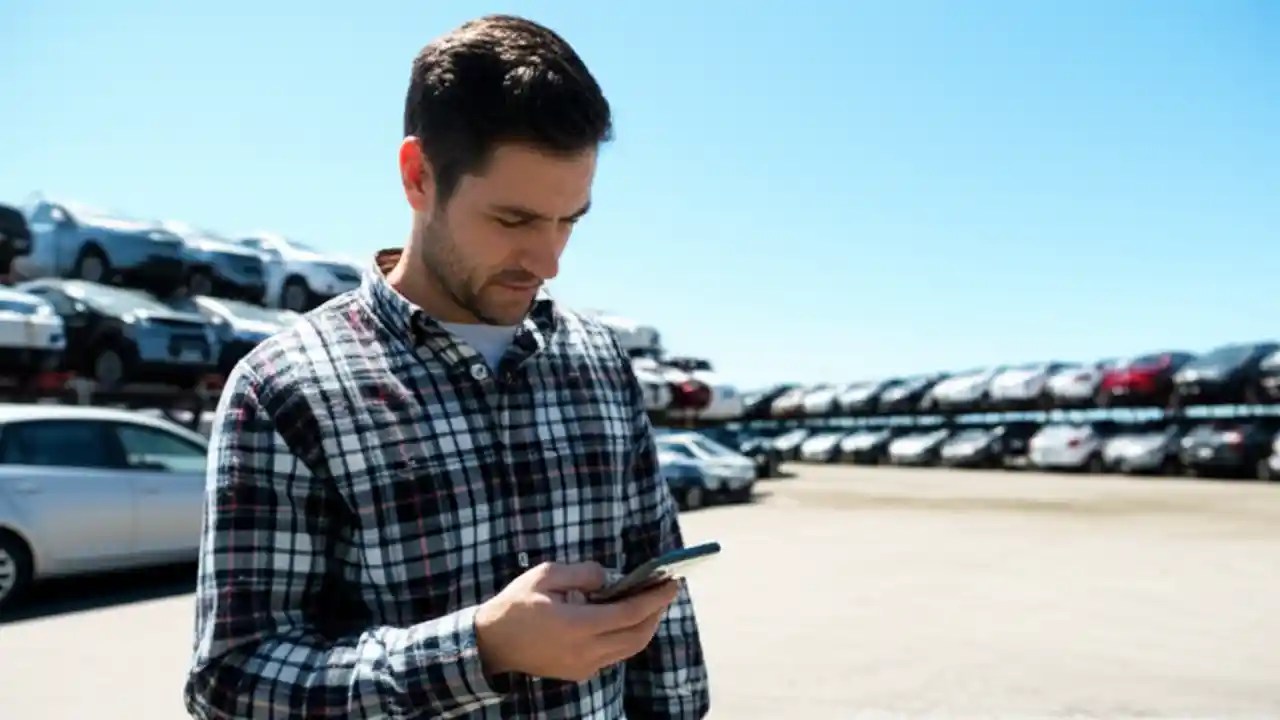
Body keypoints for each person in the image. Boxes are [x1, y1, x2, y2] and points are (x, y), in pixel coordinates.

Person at [182, 13, 710, 720]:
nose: (549, 262)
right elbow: (233, 684)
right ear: (418, 176)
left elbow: (665, 621)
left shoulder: (601, 365)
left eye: (570, 221)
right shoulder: (284, 390)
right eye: (515, 221)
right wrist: (481, 649)